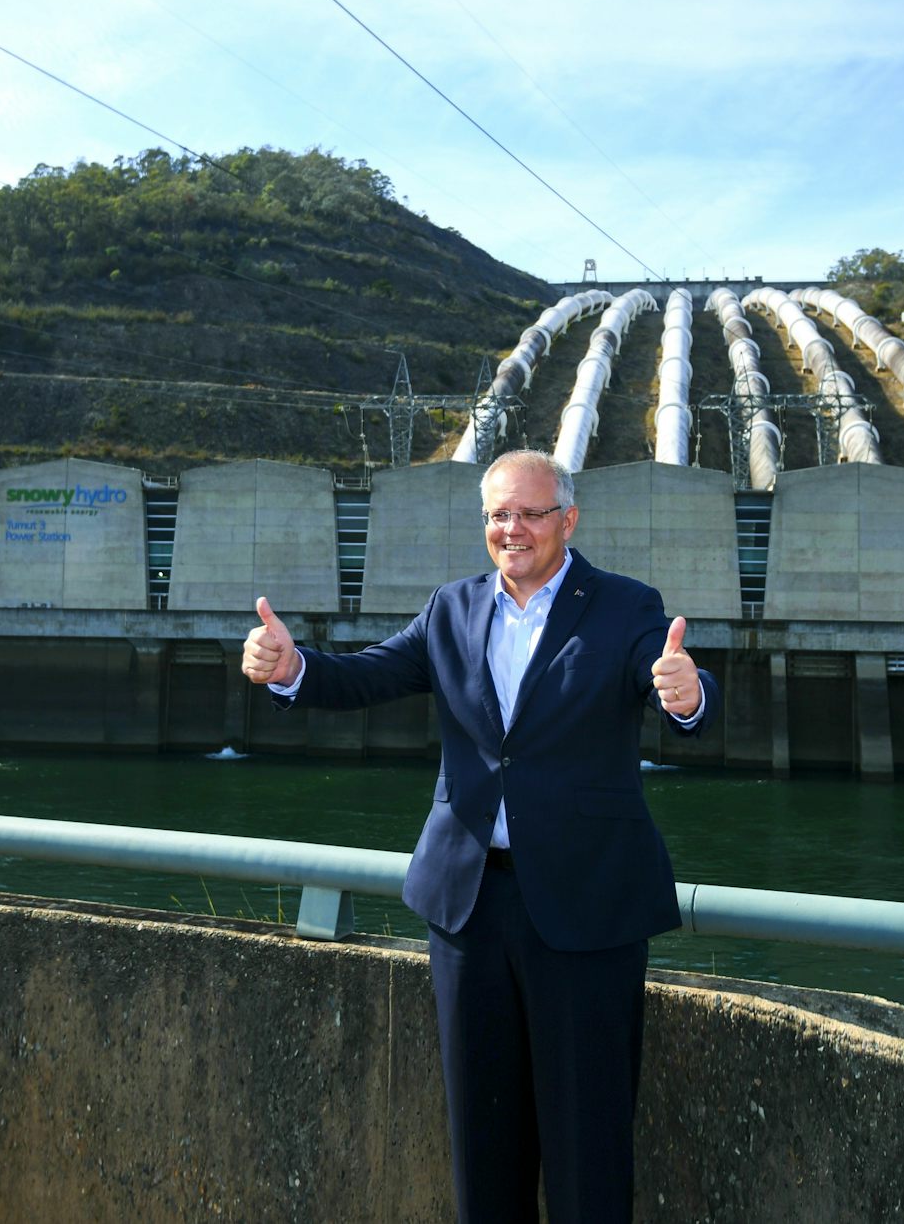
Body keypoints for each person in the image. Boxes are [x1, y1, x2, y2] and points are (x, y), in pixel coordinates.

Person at [241, 448, 715, 1223]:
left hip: (585, 912)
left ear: (568, 518)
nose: (513, 528)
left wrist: (689, 694)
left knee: (588, 1155)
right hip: (469, 910)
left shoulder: (625, 606)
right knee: (481, 1150)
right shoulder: (451, 608)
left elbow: (668, 676)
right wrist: (291, 665)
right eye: (499, 514)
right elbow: (367, 674)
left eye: (530, 513)